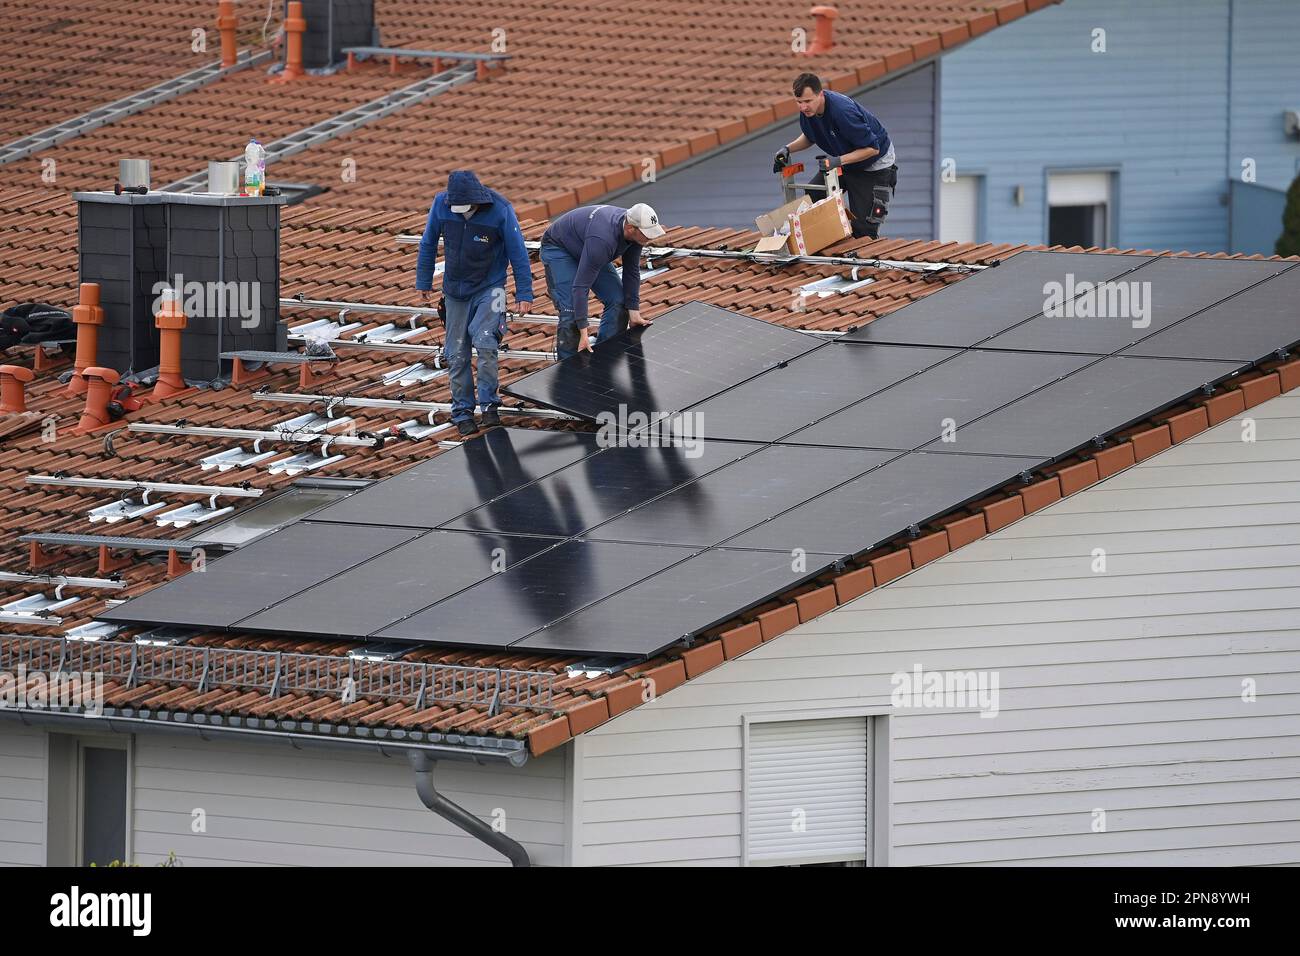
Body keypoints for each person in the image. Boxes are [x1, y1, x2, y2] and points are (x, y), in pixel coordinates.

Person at [415, 170, 533, 436]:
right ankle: (463, 411)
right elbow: (428, 243)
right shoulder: (441, 205)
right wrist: (423, 281)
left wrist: (524, 294)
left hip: (490, 288)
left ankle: (490, 405)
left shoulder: (500, 210)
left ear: (478, 200)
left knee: (486, 342)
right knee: (456, 354)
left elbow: (518, 252)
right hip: (455, 292)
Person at [772, 72, 898, 239]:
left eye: (808, 101)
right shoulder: (809, 111)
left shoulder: (843, 112)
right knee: (813, 194)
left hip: (874, 164)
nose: (803, 107)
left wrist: (838, 161)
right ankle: (826, 241)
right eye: (799, 102)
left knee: (864, 229)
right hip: (847, 159)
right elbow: (810, 136)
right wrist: (787, 149)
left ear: (821, 94)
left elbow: (871, 149)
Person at [539, 203, 665, 359]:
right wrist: (584, 333)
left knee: (618, 301)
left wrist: (634, 313)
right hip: (559, 249)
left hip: (587, 246)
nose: (650, 238)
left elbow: (631, 272)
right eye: (647, 234)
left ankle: (603, 361)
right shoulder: (603, 239)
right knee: (571, 312)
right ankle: (569, 372)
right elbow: (580, 287)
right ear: (630, 228)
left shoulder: (635, 234)